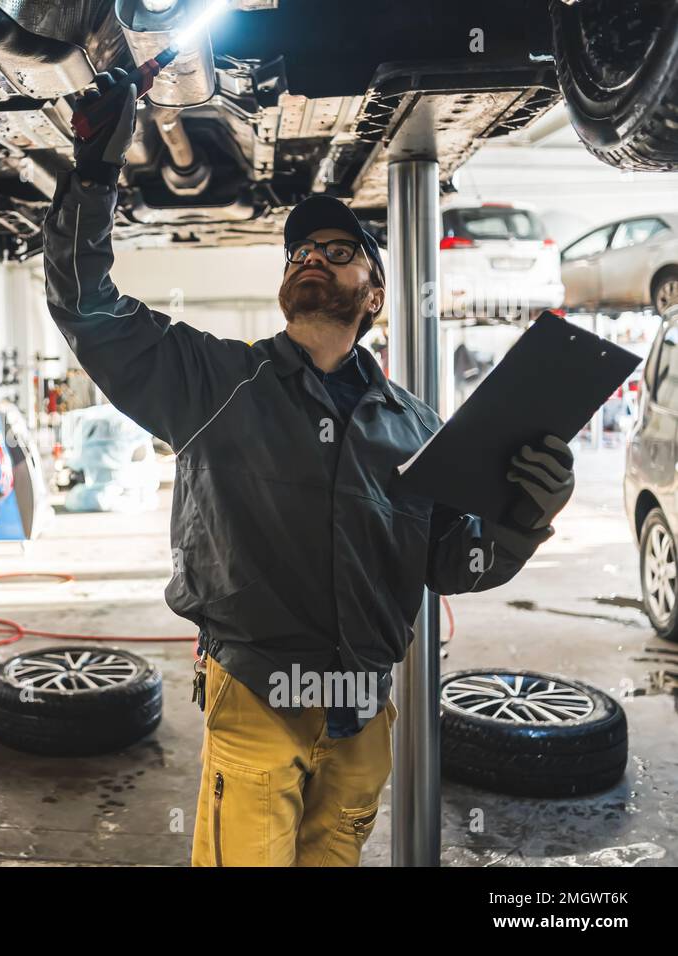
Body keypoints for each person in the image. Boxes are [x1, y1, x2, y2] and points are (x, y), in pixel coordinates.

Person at [42, 70, 575, 866]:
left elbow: (454, 563)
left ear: (375, 295)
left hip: (364, 718)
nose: (312, 258)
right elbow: (86, 306)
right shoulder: (214, 384)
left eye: (337, 251)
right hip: (257, 700)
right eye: (300, 253)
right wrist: (92, 173)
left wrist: (524, 518)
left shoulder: (418, 429)